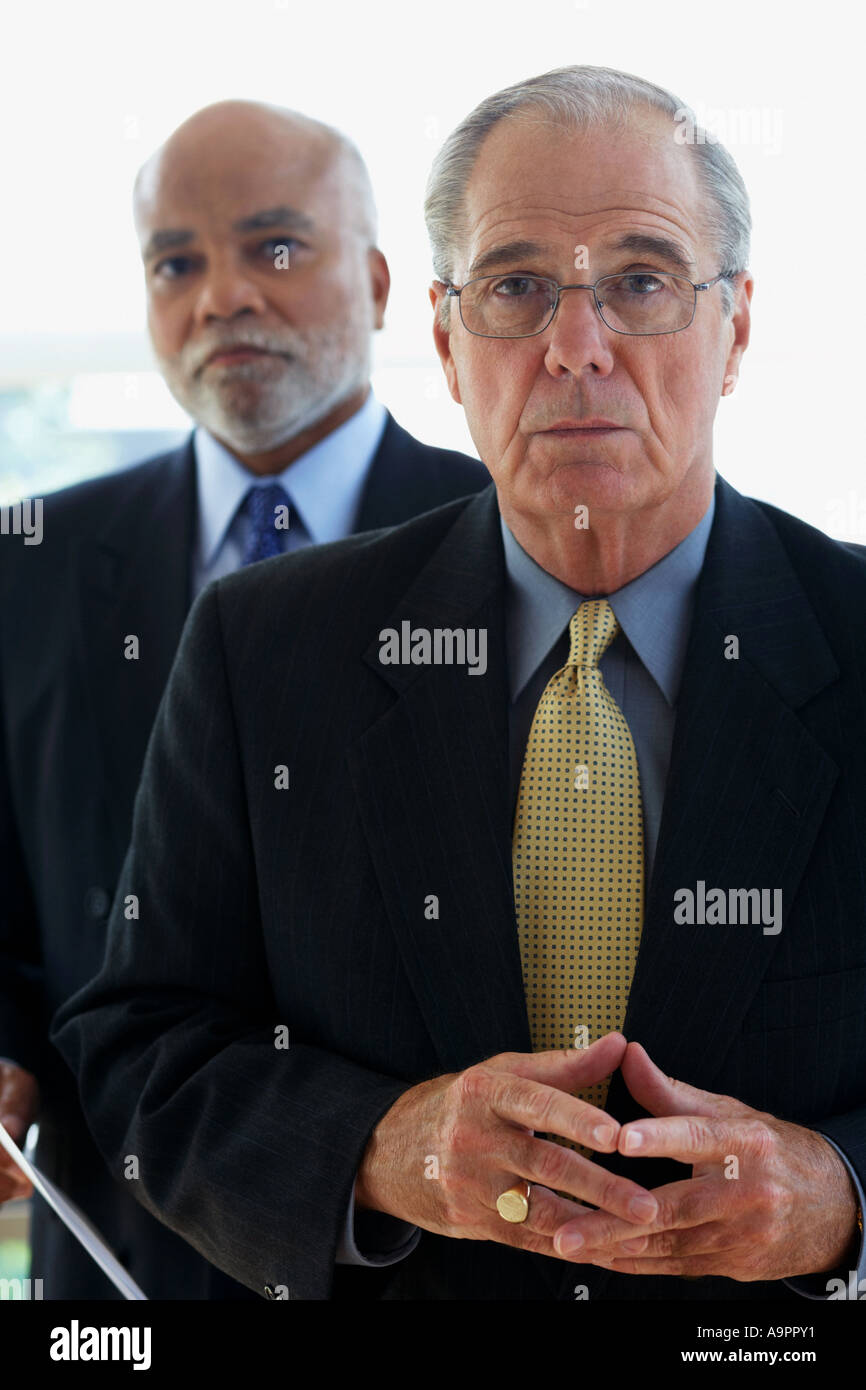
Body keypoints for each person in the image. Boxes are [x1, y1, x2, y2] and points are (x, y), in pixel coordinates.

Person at [54, 66, 866, 1302]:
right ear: (441, 337)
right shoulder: (263, 648)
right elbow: (136, 1048)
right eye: (516, 287)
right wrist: (384, 1150)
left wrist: (837, 1199)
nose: (574, 347)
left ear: (735, 326)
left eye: (641, 281)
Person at [0, 98, 486, 1300]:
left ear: (378, 284)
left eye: (274, 247)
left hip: (429, 1255)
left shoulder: (509, 546)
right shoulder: (30, 561)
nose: (221, 295)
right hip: (113, 1256)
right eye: (177, 262)